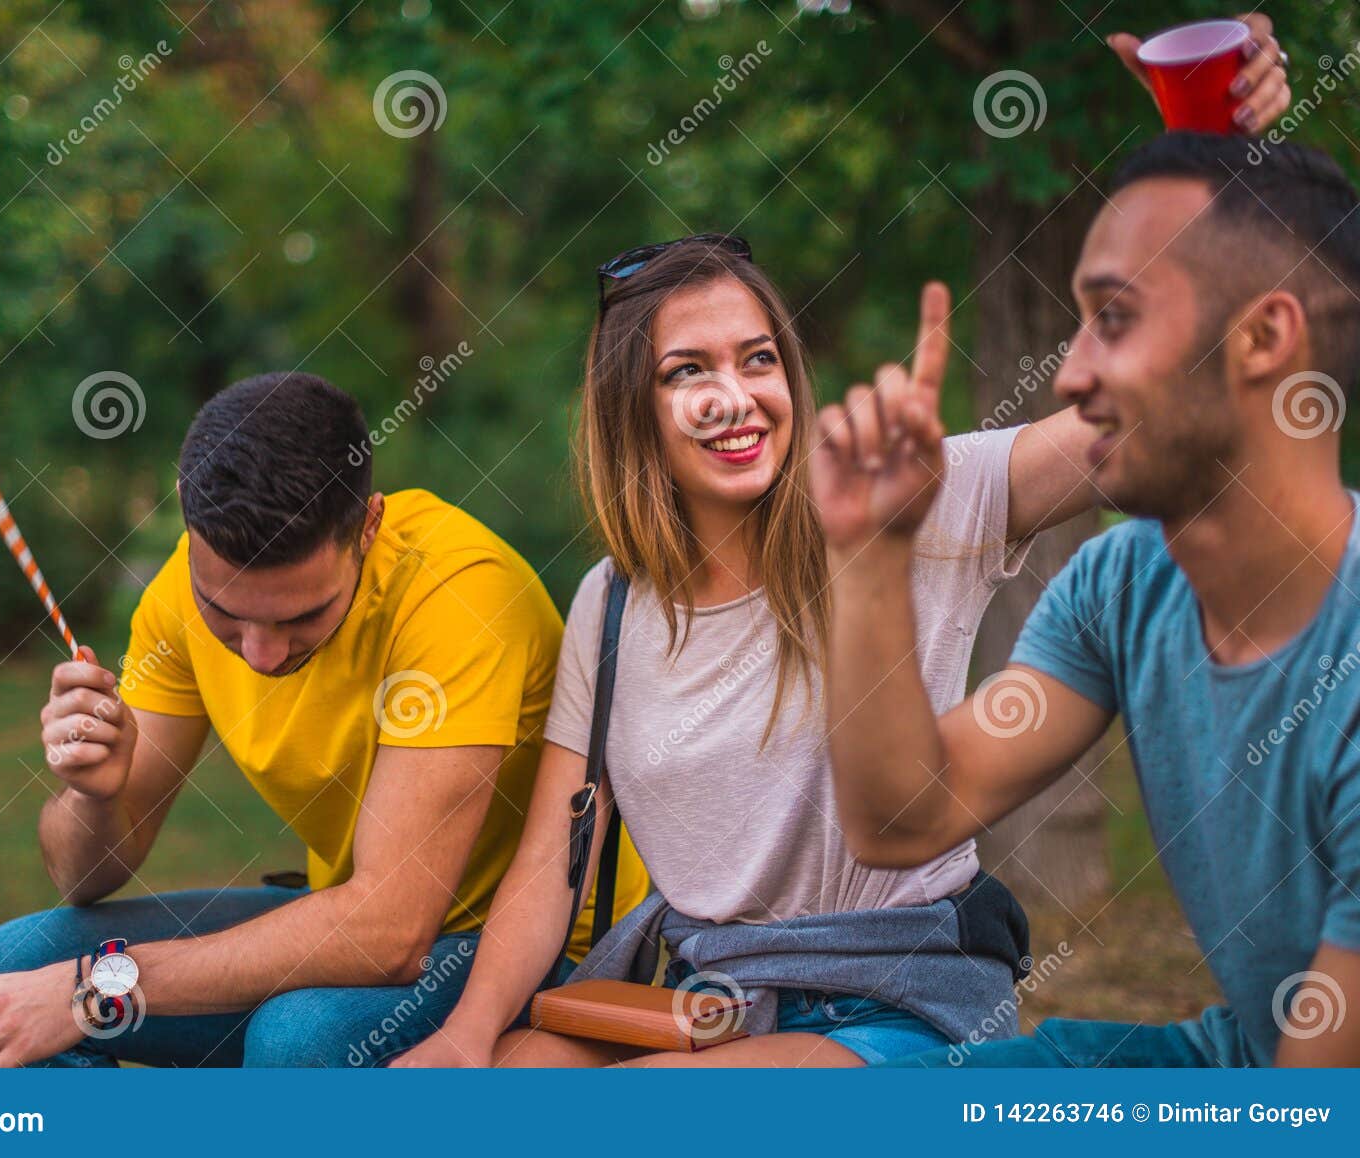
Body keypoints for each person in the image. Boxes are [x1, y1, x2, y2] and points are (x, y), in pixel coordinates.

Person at [389, 15, 1290, 1072]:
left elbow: (1136, 422)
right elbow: (550, 858)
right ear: (628, 410)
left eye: (757, 359)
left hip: (896, 1001)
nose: (736, 398)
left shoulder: (901, 495)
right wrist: (463, 1034)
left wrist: (1221, 170)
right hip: (705, 998)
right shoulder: (614, 602)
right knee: (500, 1087)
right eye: (689, 372)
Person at [0, 372, 647, 1068]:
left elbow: (389, 935)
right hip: (347, 919)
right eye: (227, 612)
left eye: (302, 615)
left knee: (297, 1040)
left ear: (368, 526)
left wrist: (96, 988)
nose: (260, 652)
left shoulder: (458, 598)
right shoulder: (173, 604)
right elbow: (83, 877)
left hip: (524, 946)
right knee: (12, 966)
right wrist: (94, 794)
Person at [815, 132, 1360, 1068]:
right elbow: (903, 818)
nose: (1067, 375)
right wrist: (868, 554)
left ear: (1266, 337)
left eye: (1115, 318)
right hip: (1244, 1060)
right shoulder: (1126, 584)